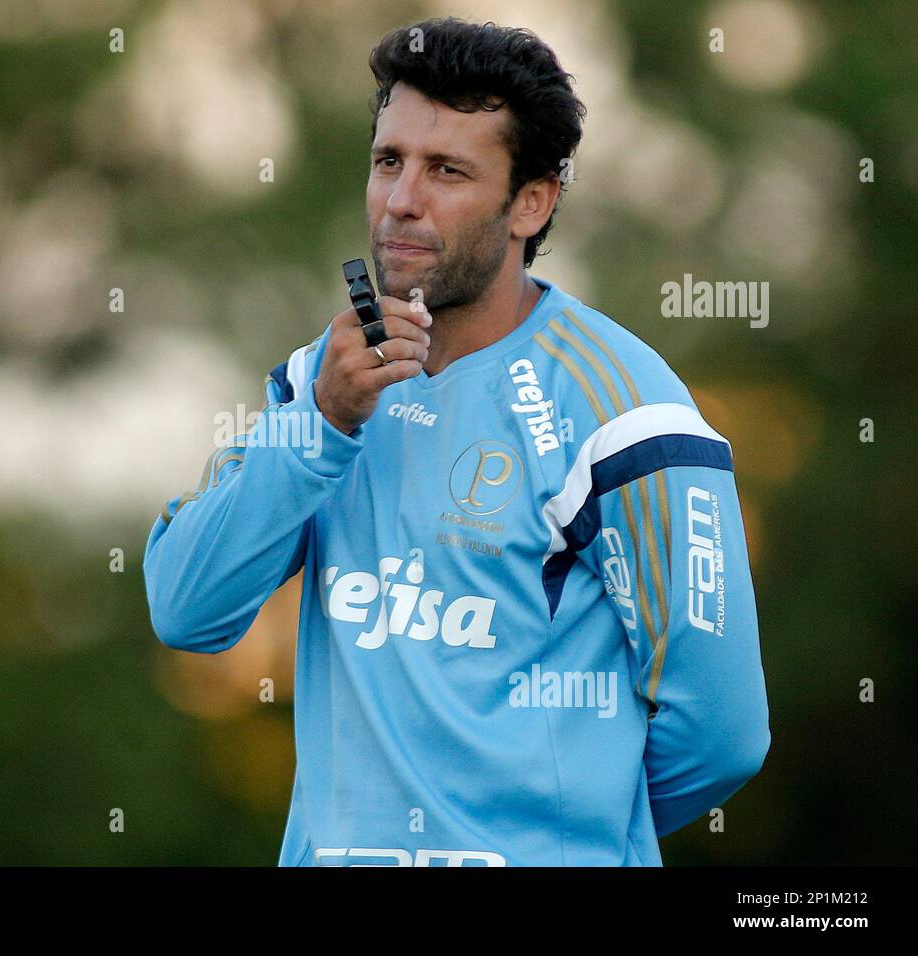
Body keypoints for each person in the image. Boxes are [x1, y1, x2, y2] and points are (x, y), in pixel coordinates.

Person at [142, 17, 770, 866]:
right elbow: (188, 610)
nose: (402, 199)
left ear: (533, 202)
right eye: (388, 160)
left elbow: (721, 734)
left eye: (446, 170)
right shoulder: (320, 382)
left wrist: (554, 837)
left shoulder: (627, 414)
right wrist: (321, 425)